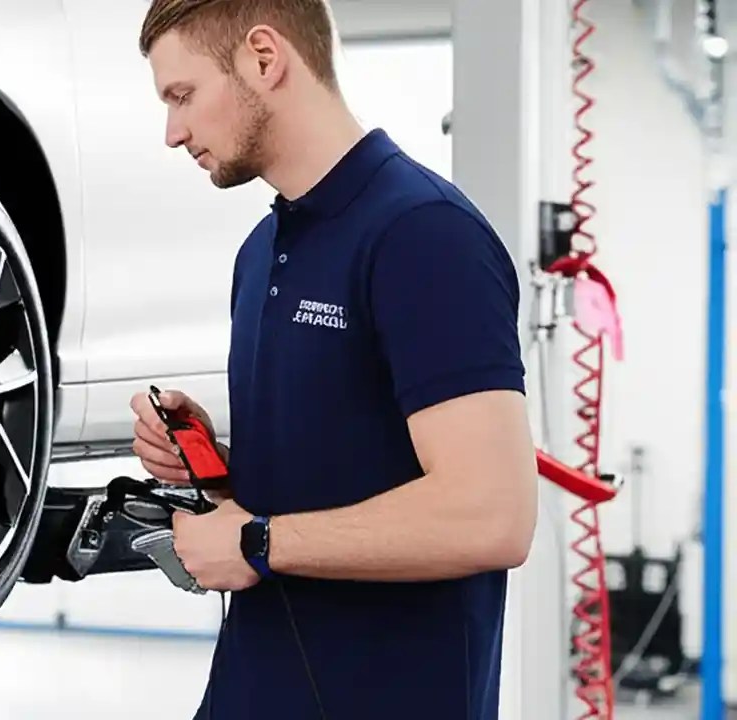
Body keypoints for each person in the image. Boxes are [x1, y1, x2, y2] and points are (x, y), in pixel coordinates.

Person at [128, 1, 540, 718]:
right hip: (253, 687)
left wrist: (256, 542)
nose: (173, 133)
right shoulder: (260, 254)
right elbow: (317, 492)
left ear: (264, 57)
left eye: (182, 95)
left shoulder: (424, 235)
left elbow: (493, 514)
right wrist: (216, 470)